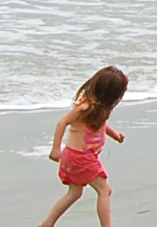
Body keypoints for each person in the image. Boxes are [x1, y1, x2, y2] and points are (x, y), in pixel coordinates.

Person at [34, 65, 127, 227]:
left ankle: (47, 224)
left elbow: (101, 125)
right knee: (105, 190)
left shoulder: (99, 108)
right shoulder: (86, 108)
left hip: (76, 156)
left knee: (74, 193)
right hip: (81, 158)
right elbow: (63, 122)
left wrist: (115, 135)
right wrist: (56, 148)